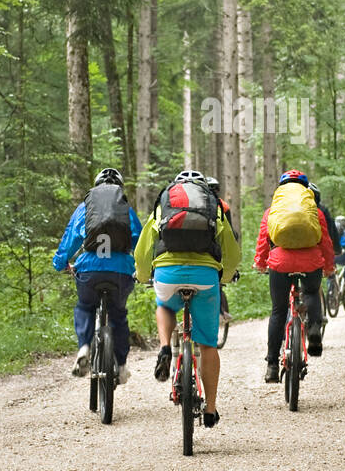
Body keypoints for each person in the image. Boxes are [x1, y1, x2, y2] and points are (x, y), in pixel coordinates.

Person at [134, 170, 240, 428]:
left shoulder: (163, 204)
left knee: (165, 306)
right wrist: (223, 276)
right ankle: (211, 410)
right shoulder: (213, 206)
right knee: (207, 345)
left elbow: (143, 247)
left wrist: (144, 274)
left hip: (168, 273)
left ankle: (164, 347)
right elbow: (231, 251)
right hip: (205, 276)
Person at [52, 167, 141, 383]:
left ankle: (84, 347)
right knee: (118, 315)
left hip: (89, 269)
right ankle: (121, 366)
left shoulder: (85, 207)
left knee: (85, 307)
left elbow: (70, 239)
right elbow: (140, 241)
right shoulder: (126, 210)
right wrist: (144, 268)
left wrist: (61, 264)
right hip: (120, 271)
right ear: (119, 188)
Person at [254, 170, 335, 381]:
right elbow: (325, 241)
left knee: (278, 311)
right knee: (310, 292)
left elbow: (264, 240)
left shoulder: (272, 211)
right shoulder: (315, 212)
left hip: (280, 263)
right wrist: (328, 266)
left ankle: (272, 365)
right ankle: (315, 330)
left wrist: (261, 263)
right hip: (311, 262)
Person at [207, 176, 236, 327]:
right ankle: (219, 312)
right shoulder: (222, 205)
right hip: (215, 251)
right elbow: (229, 232)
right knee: (215, 278)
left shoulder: (198, 204)